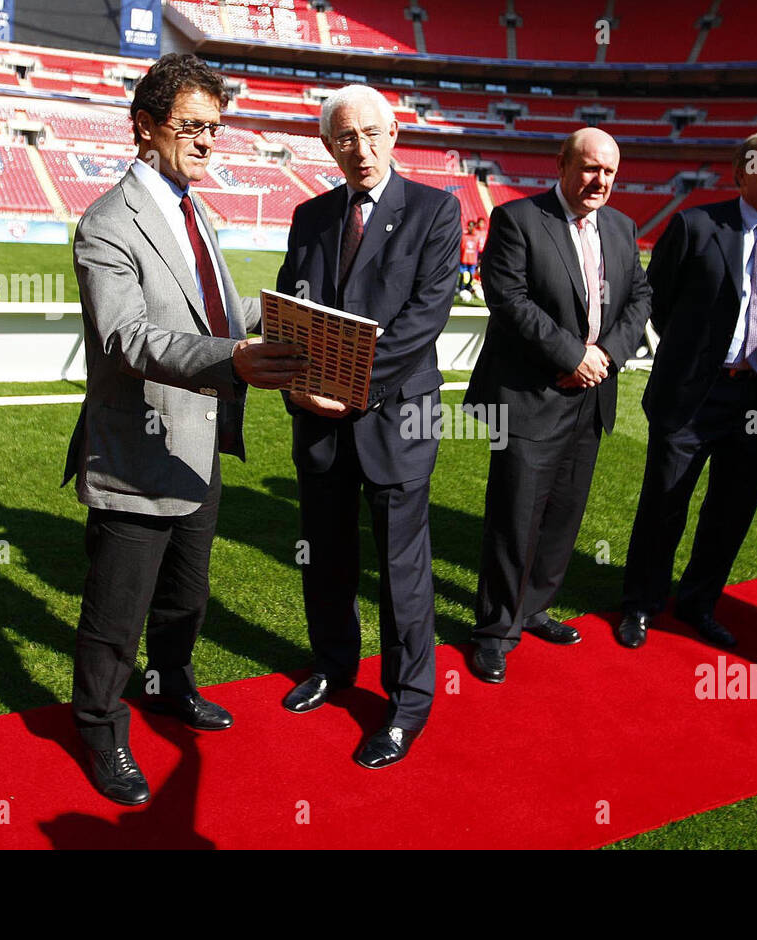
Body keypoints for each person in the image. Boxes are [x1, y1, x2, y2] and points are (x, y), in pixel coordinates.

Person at [62, 54, 306, 805]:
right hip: (135, 451)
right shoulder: (107, 223)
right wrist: (234, 356)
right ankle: (99, 727)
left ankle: (167, 689)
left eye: (215, 129)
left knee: (186, 598)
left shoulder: (197, 210)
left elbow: (215, 317)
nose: (207, 142)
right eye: (191, 126)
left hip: (199, 444)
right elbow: (126, 340)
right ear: (145, 126)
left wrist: (291, 313)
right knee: (116, 614)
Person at [275, 84, 461, 769]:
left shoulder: (437, 212)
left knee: (402, 571)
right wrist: (301, 384)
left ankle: (408, 703)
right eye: (347, 137)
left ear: (395, 134)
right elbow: (291, 305)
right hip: (319, 422)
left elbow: (422, 322)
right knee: (324, 557)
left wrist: (348, 388)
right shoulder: (309, 215)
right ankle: (332, 664)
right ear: (329, 145)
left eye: (374, 133)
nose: (363, 149)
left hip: (394, 420)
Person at [616, 130, 757, 650]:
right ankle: (641, 602)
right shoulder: (696, 225)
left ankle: (699, 602)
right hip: (692, 394)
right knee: (665, 501)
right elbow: (656, 301)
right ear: (742, 172)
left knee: (731, 511)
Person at [463, 128, 651, 683]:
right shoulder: (519, 219)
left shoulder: (623, 226)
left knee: (564, 515)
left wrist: (605, 358)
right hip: (530, 397)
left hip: (592, 396)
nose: (600, 182)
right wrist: (571, 355)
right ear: (563, 164)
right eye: (590, 168)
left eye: (610, 173)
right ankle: (495, 630)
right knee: (513, 518)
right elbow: (509, 298)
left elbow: (640, 296)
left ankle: (534, 607)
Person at [459, 221, 479, 292]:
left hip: (472, 260)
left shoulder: (477, 237)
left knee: (471, 276)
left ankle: (468, 289)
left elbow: (478, 249)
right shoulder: (464, 236)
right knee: (463, 276)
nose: (470, 227)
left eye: (472, 226)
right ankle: (461, 289)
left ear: (474, 227)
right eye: (469, 226)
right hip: (464, 259)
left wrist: (478, 259)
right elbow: (460, 248)